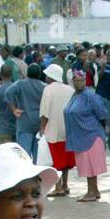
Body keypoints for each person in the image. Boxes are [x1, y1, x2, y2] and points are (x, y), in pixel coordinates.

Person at [63, 68, 107, 203]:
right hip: (80, 137)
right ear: (72, 82)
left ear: (85, 81)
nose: (79, 83)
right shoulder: (75, 95)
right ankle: (95, 191)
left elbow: (103, 115)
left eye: (81, 80)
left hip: (91, 136)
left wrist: (97, 129)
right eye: (76, 81)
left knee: (90, 166)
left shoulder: (90, 96)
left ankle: (91, 192)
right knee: (88, 165)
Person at [39, 63, 74, 196]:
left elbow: (44, 113)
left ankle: (58, 187)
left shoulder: (48, 90)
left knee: (55, 160)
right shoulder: (69, 89)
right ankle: (65, 185)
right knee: (65, 160)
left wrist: (42, 128)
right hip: (67, 130)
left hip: (52, 130)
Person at [7, 63, 45, 160]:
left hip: (24, 123)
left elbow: (8, 93)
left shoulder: (20, 84)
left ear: (27, 73)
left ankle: (25, 174)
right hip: (40, 124)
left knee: (24, 155)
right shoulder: (44, 86)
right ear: (39, 74)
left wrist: (14, 109)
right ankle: (36, 174)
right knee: (38, 156)